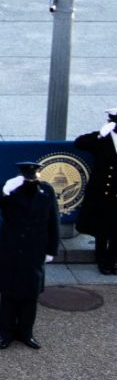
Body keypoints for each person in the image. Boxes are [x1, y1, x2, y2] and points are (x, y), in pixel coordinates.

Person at [0, 164, 59, 350]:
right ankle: (6, 334)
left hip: (34, 249)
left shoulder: (46, 190)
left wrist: (51, 249)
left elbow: (53, 221)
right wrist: (3, 192)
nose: (32, 178)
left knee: (30, 294)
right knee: (9, 293)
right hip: (11, 248)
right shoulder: (10, 188)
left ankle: (26, 333)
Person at [73, 113, 117, 275]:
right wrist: (100, 134)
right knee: (102, 229)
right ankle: (102, 260)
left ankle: (112, 260)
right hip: (102, 192)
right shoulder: (102, 138)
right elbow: (79, 143)